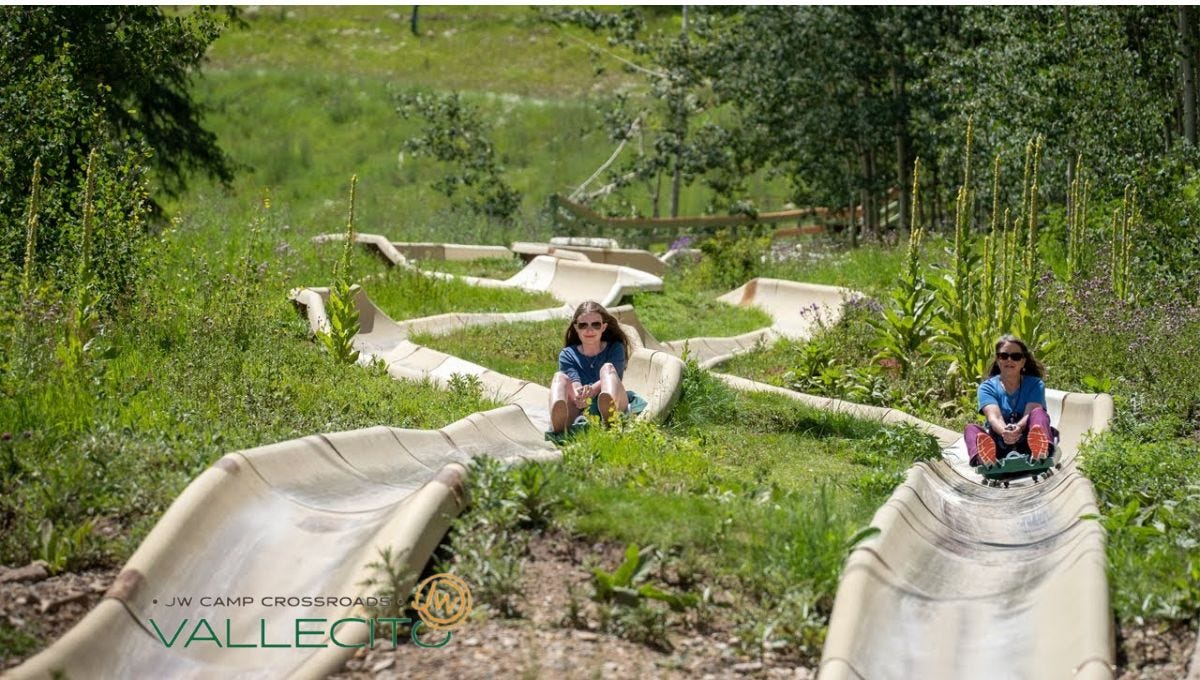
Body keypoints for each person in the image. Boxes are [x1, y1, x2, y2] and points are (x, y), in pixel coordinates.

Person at [549, 301, 646, 433]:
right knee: (559, 377)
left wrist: (592, 391)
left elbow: (614, 376)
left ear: (603, 327)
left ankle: (610, 418)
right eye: (583, 325)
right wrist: (580, 395)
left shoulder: (615, 348)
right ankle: (559, 425)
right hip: (581, 406)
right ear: (576, 328)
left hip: (615, 400)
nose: (589, 330)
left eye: (595, 324)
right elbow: (574, 382)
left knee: (607, 368)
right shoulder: (567, 354)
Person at [964, 335, 1054, 467]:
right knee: (970, 429)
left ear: (1023, 361)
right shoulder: (987, 387)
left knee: (1039, 413)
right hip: (999, 444)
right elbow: (994, 416)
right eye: (1004, 356)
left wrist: (1018, 428)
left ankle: (1041, 450)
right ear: (997, 360)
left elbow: (1030, 412)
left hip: (1027, 440)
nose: (1009, 360)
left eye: (1016, 356)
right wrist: (1004, 432)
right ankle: (986, 460)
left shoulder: (1035, 384)